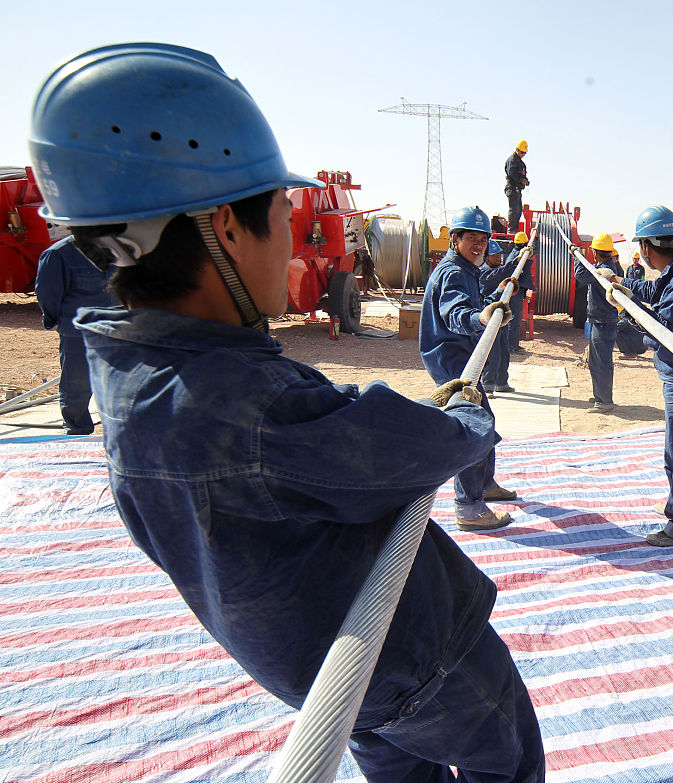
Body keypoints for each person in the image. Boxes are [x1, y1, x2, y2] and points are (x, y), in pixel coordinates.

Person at [30, 43, 544, 783]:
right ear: (225, 228)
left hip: (334, 675)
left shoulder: (134, 378)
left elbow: (326, 439)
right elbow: (397, 448)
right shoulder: (239, 403)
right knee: (508, 760)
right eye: (283, 212)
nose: (295, 238)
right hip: (413, 655)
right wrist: (467, 417)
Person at [598, 206, 673, 546]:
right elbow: (656, 292)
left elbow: (659, 335)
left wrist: (625, 312)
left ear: (646, 249)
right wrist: (625, 284)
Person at [420, 205, 519, 531]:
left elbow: (473, 304)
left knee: (484, 420)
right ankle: (469, 508)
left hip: (458, 353)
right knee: (472, 426)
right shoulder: (453, 273)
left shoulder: (465, 268)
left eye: (482, 239)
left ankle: (485, 484)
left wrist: (498, 295)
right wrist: (480, 318)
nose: (478, 245)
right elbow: (456, 313)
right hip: (452, 358)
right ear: (455, 239)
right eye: (471, 239)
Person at [34, 237, 118, 434]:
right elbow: (48, 292)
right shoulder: (58, 255)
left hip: (116, 329)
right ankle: (77, 430)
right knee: (77, 384)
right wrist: (53, 319)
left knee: (117, 383)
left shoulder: (118, 247)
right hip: (78, 332)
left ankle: (118, 430)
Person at [573, 232, 623, 413]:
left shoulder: (603, 271)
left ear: (595, 252)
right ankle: (600, 396)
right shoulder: (603, 266)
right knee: (596, 361)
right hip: (600, 321)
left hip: (603, 322)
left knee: (601, 362)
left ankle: (604, 401)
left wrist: (577, 256)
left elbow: (580, 275)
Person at [480, 238, 515, 394]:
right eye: (494, 255)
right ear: (486, 256)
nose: (498, 258)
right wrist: (516, 260)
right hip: (490, 319)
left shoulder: (497, 270)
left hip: (502, 317)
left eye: (499, 255)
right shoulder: (484, 273)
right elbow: (500, 273)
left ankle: (502, 383)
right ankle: (488, 385)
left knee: (503, 351)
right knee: (492, 353)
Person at [506, 230, 536, 354]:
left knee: (515, 318)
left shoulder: (517, 254)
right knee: (514, 318)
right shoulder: (516, 256)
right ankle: (512, 346)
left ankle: (513, 344)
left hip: (516, 290)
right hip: (514, 292)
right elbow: (508, 269)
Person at [504, 140, 529, 234]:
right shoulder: (512, 160)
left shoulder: (521, 164)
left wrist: (525, 180)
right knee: (513, 209)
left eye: (524, 153)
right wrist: (520, 179)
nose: (523, 154)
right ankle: (511, 229)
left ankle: (515, 228)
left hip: (518, 189)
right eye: (522, 152)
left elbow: (522, 175)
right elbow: (512, 174)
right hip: (512, 188)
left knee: (518, 209)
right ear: (517, 150)